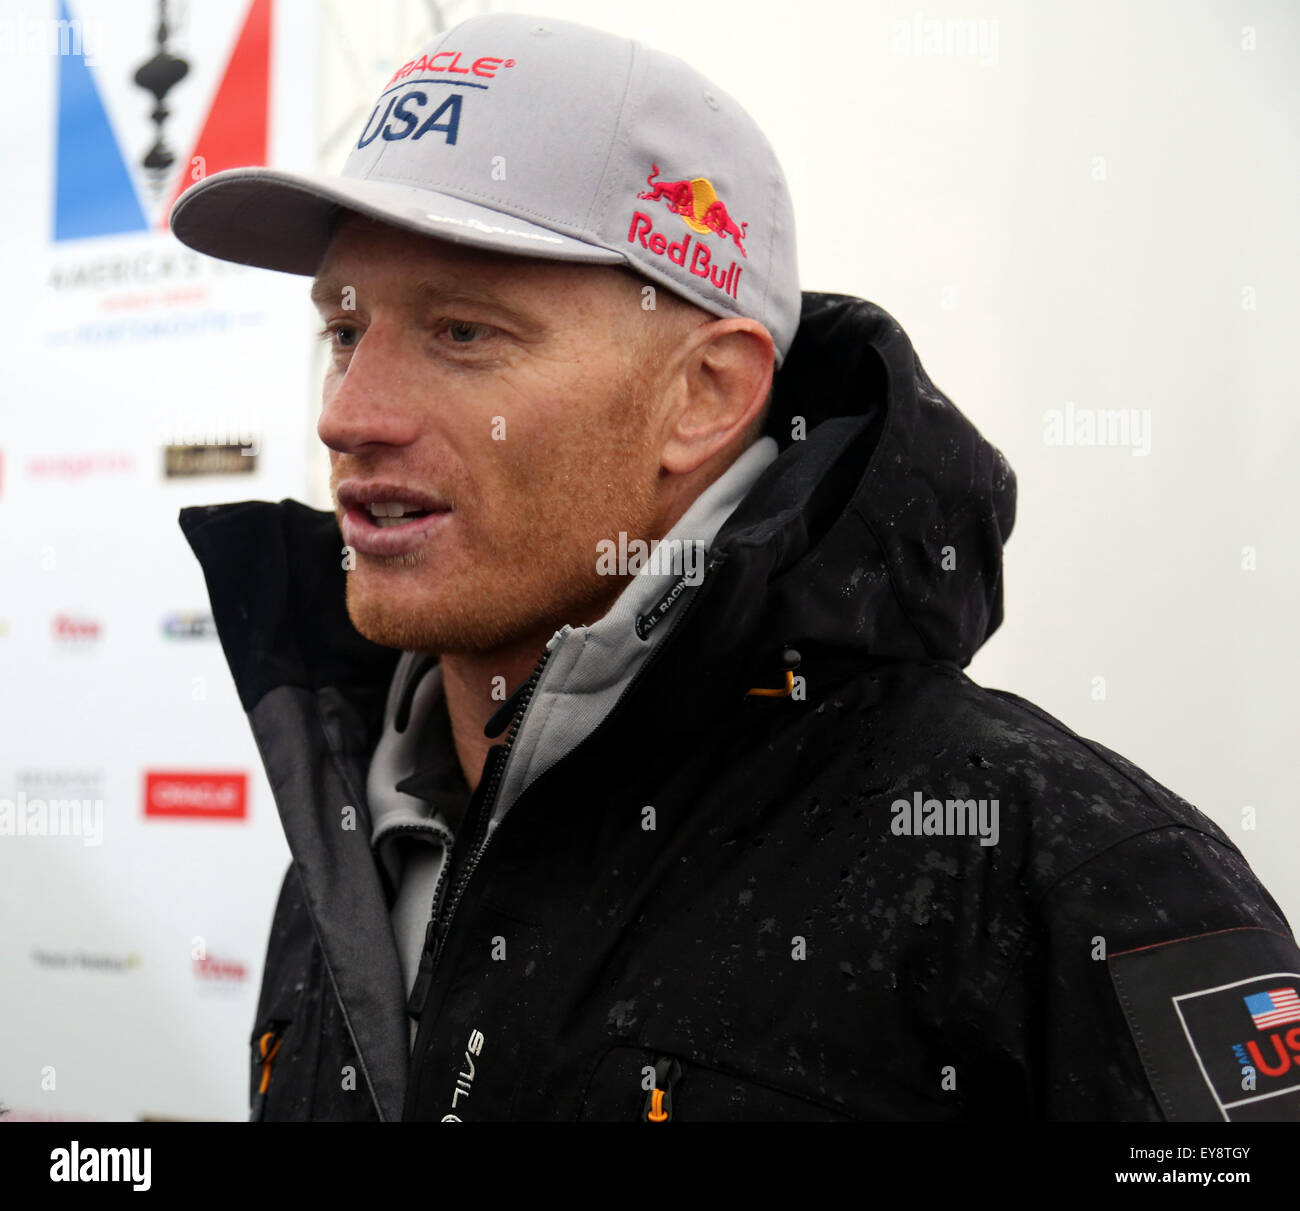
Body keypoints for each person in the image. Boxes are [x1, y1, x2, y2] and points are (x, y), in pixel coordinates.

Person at [171, 12, 1300, 1122]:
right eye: (345, 332)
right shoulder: (348, 859)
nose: (350, 415)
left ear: (704, 394)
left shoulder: (1048, 871)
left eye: (463, 333)